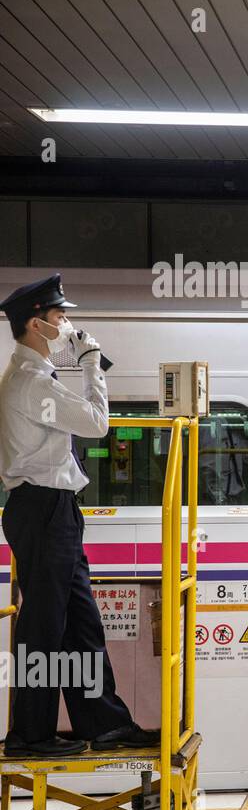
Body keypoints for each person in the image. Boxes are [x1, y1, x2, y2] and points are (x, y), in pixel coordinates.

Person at [0, 274, 158, 757]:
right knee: (44, 625)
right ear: (36, 324)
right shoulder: (29, 383)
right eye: (60, 317)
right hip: (41, 507)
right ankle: (30, 735)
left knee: (80, 622)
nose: (68, 324)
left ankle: (102, 720)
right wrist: (92, 365)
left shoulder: (38, 379)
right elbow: (96, 423)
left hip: (55, 510)